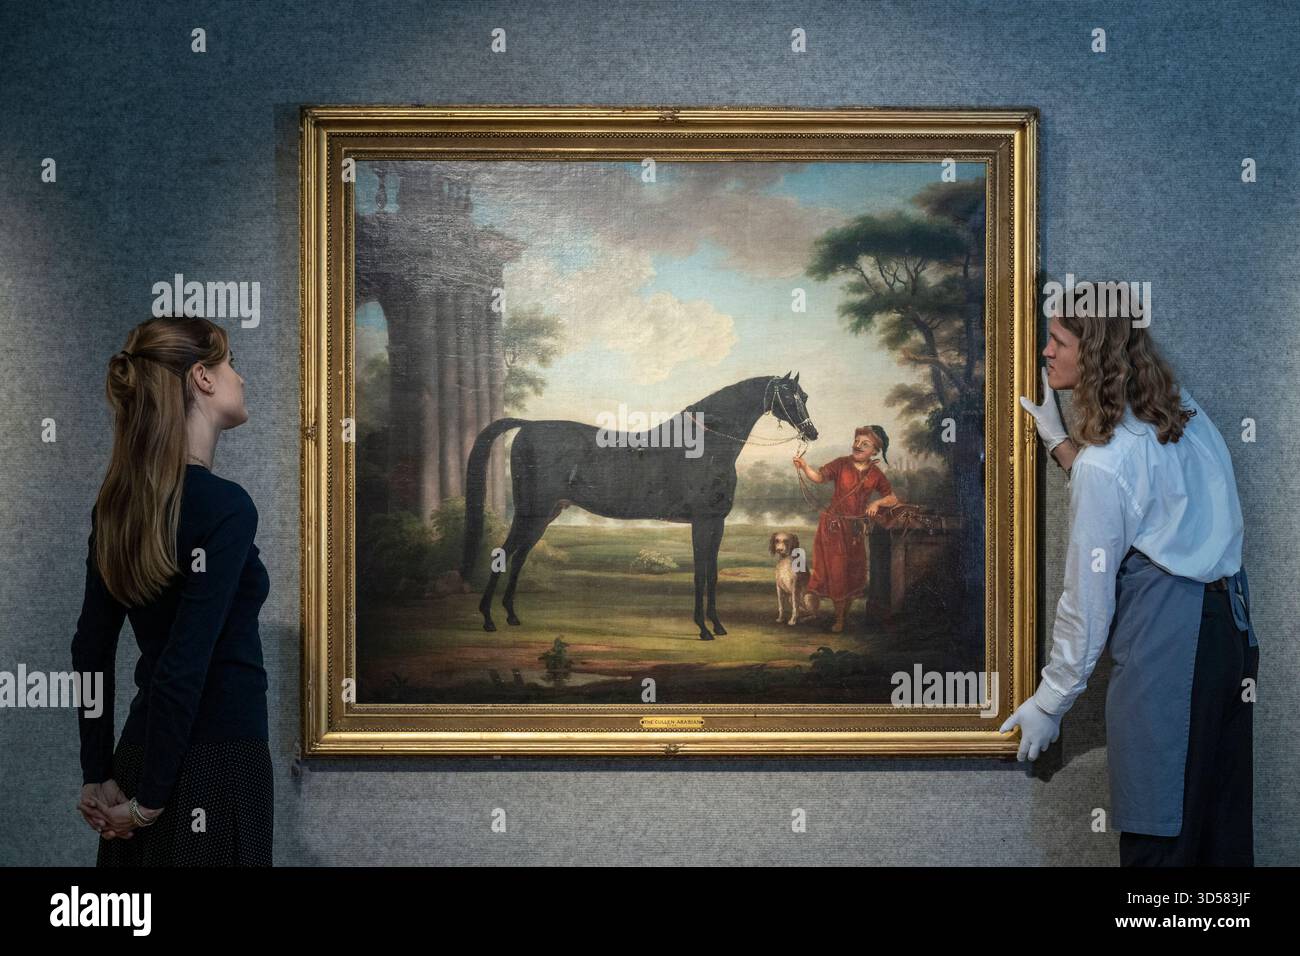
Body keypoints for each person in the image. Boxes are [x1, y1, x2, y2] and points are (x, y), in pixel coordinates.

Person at [1006, 309, 1257, 866]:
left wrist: (1051, 701)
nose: (1046, 353)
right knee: (1218, 832)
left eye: (1057, 341)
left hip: (1169, 645)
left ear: (1092, 357)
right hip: (1229, 636)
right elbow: (1136, 505)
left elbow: (1086, 601)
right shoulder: (1186, 414)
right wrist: (1057, 440)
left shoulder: (1105, 465)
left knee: (1160, 835)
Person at [71, 316, 272, 865]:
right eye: (230, 364)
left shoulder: (117, 507)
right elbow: (188, 659)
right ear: (202, 378)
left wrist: (98, 774)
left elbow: (90, 649)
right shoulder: (226, 506)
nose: (241, 377)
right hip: (219, 765)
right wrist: (151, 802)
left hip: (139, 759)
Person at [793, 425, 900, 632]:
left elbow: (893, 498)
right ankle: (840, 619)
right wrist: (804, 467)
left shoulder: (875, 473)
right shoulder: (841, 464)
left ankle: (843, 616)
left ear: (875, 451)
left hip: (855, 529)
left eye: (865, 444)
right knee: (837, 571)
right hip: (832, 527)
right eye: (857, 441)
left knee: (853, 571)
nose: (858, 446)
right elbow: (819, 477)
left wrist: (877, 504)